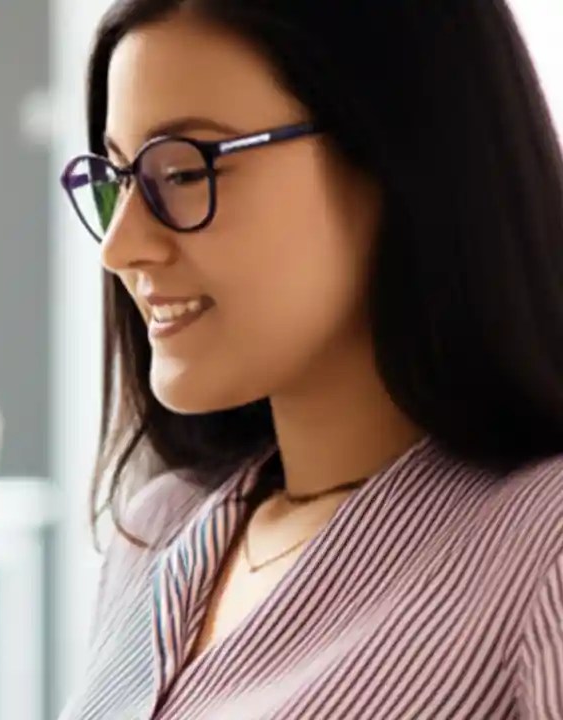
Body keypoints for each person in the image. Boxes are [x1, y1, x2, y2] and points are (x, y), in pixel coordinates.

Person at [56, 1, 563, 717]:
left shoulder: (543, 553)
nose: (119, 246)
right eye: (116, 178)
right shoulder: (160, 531)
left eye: (184, 171)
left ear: (398, 159)